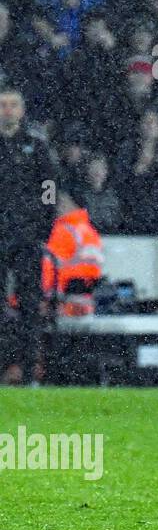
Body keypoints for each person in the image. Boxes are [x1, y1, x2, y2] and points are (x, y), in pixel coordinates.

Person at [0, 88, 59, 383]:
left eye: (13, 105)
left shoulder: (35, 146)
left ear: (22, 110)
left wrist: (42, 229)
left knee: (29, 306)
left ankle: (29, 374)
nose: (8, 111)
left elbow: (49, 189)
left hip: (25, 237)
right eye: (3, 106)